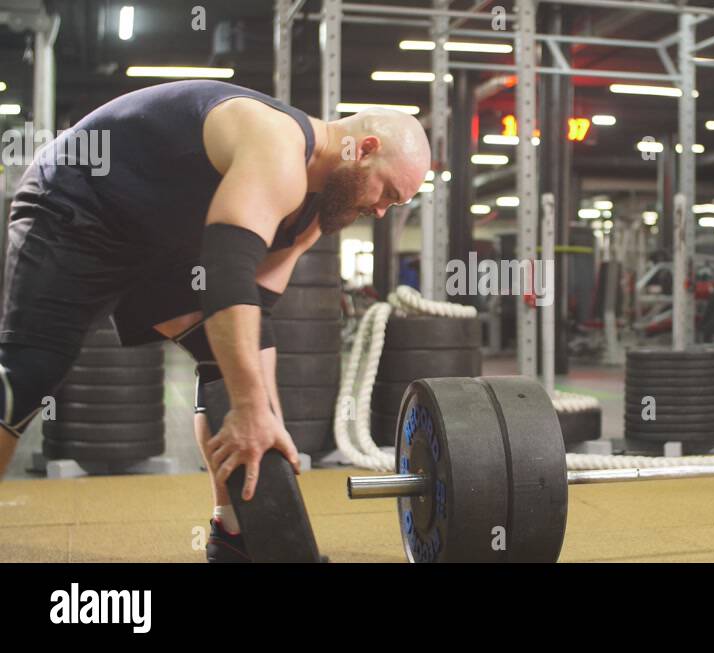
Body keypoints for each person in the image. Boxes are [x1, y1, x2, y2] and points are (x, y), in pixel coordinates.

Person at [0, 80, 431, 561]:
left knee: (231, 365)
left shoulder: (313, 217)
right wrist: (247, 407)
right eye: (386, 192)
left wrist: (262, 418)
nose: (379, 209)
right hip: (76, 199)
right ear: (364, 149)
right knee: (31, 370)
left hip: (156, 237)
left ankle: (237, 536)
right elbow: (226, 276)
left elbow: (253, 318)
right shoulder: (278, 144)